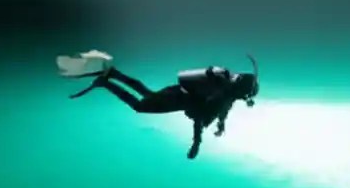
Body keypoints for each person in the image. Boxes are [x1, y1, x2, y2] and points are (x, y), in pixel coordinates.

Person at [69, 56, 260, 159]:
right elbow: (200, 118)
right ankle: (106, 82)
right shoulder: (222, 97)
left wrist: (221, 125)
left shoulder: (225, 92)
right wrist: (196, 143)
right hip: (176, 100)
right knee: (139, 106)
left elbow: (223, 110)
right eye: (246, 97)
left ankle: (114, 74)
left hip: (176, 92)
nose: (244, 99)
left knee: (148, 95)